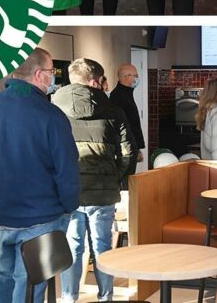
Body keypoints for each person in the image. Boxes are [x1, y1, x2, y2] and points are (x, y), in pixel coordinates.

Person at [0, 47, 79, 303]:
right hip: (41, 217)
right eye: (52, 72)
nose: (53, 78)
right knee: (29, 284)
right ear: (39, 74)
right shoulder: (51, 116)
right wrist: (68, 207)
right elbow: (67, 170)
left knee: (0, 277)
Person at [52, 58, 132, 303]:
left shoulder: (54, 109)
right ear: (97, 81)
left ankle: (69, 298)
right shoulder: (114, 111)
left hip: (69, 193)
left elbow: (48, 152)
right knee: (102, 249)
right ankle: (105, 298)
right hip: (102, 194)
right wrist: (113, 177)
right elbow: (128, 153)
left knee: (73, 248)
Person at [110, 63, 145, 187]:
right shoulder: (119, 97)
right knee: (126, 184)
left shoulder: (126, 94)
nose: (137, 78)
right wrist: (135, 148)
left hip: (129, 146)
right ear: (127, 77)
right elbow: (127, 125)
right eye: (136, 75)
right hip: (125, 149)